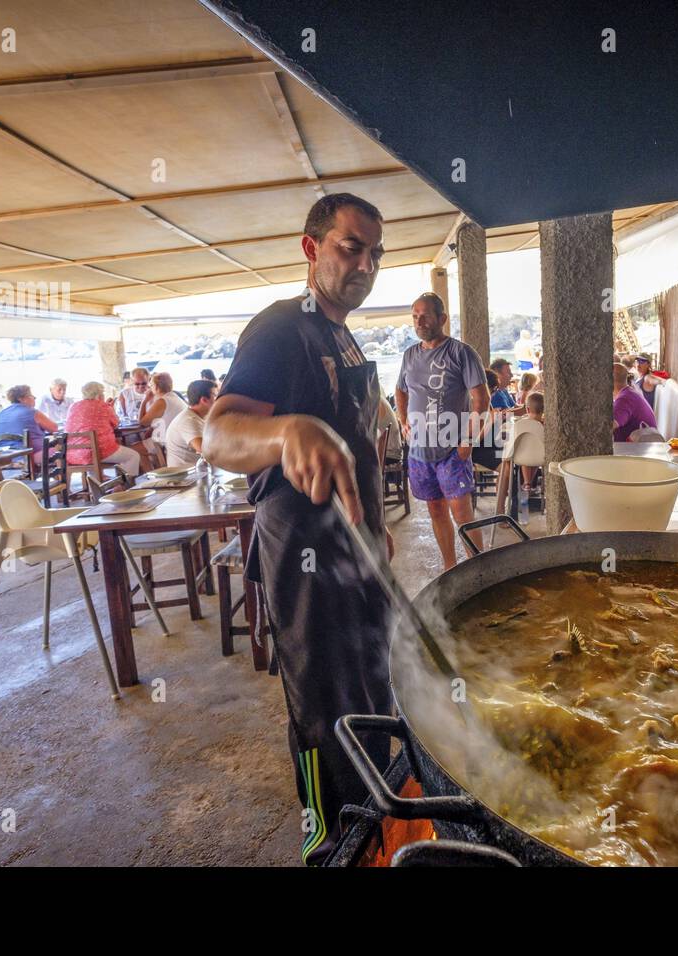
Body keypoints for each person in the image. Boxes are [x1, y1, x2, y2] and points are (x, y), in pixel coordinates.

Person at [202, 192, 394, 866]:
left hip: (359, 555)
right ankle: (331, 847)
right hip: (305, 564)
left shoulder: (341, 334)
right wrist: (286, 430)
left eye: (375, 253)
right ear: (312, 248)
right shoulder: (281, 328)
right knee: (324, 718)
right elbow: (218, 434)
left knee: (371, 702)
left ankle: (379, 833)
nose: (365, 263)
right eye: (351, 247)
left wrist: (376, 530)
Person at [395, 291, 490, 570]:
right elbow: (400, 390)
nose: (419, 321)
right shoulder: (410, 355)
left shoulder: (461, 352)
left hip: (452, 451)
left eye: (425, 315)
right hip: (419, 452)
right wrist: (403, 421)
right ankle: (450, 567)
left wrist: (468, 441)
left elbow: (481, 400)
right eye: (415, 316)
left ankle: (477, 571)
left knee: (462, 513)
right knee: (435, 510)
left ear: (442, 318)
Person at [64, 381, 141, 477]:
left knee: (92, 460)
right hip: (99, 452)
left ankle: (97, 488)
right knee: (133, 456)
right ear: (99, 395)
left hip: (74, 455)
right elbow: (116, 423)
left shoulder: (73, 406)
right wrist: (110, 408)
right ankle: (124, 487)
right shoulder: (103, 406)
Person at [0, 384, 58, 468]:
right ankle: (61, 480)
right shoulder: (32, 412)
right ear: (21, 399)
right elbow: (54, 428)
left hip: (4, 459)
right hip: (28, 458)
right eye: (31, 396)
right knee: (62, 449)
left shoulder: (0, 413)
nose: (34, 399)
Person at [164, 379, 216, 466]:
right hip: (184, 476)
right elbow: (205, 450)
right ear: (204, 400)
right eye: (215, 395)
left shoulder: (203, 416)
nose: (218, 399)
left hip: (200, 471)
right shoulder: (188, 420)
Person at [612, 362, 657, 441]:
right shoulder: (629, 392)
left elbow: (606, 428)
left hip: (636, 451)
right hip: (639, 448)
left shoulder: (625, 399)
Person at [139, 371, 187, 445]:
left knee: (132, 450)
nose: (150, 388)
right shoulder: (173, 396)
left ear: (156, 387)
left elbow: (142, 422)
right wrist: (151, 429)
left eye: (151, 385)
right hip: (178, 439)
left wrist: (144, 400)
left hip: (168, 442)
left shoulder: (162, 401)